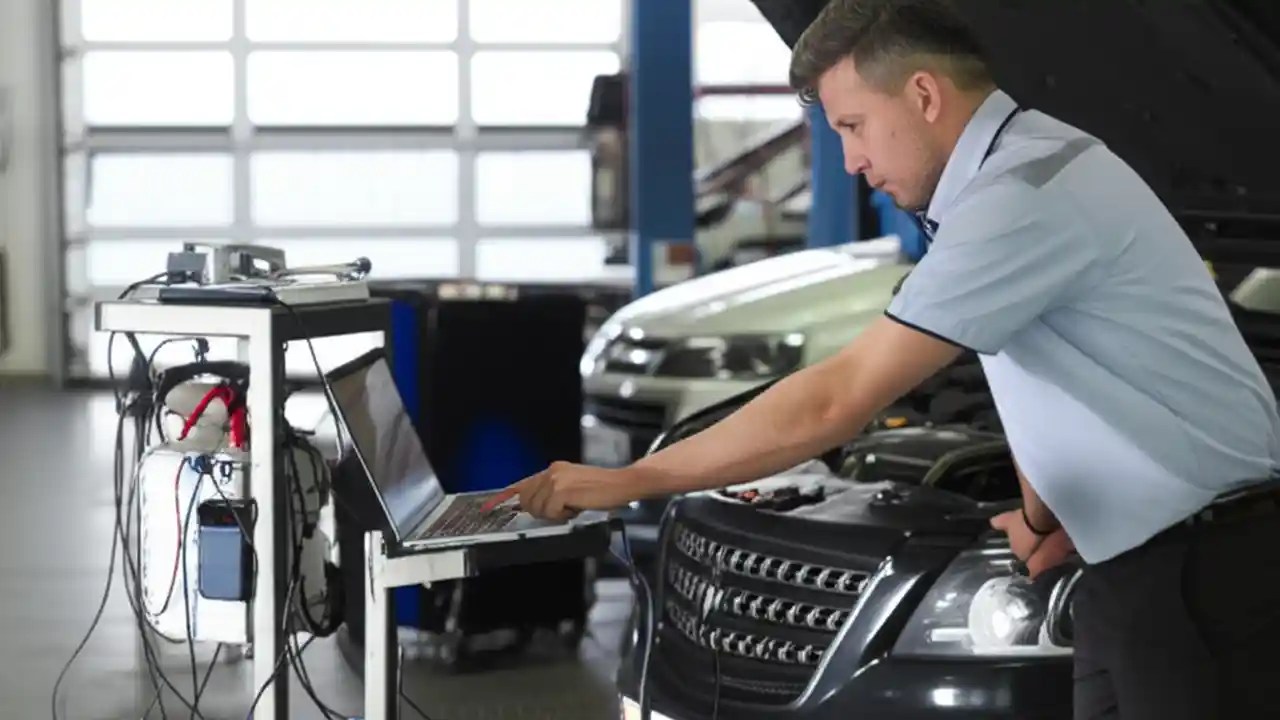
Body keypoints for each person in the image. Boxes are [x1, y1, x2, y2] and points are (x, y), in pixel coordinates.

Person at [485, 1, 1280, 717]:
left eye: (852, 126)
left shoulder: (1024, 196)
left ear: (925, 95)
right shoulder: (1013, 173)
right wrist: (1041, 517)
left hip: (1199, 575)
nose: (850, 161)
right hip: (1135, 568)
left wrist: (626, 483)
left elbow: (837, 401)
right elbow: (1039, 368)